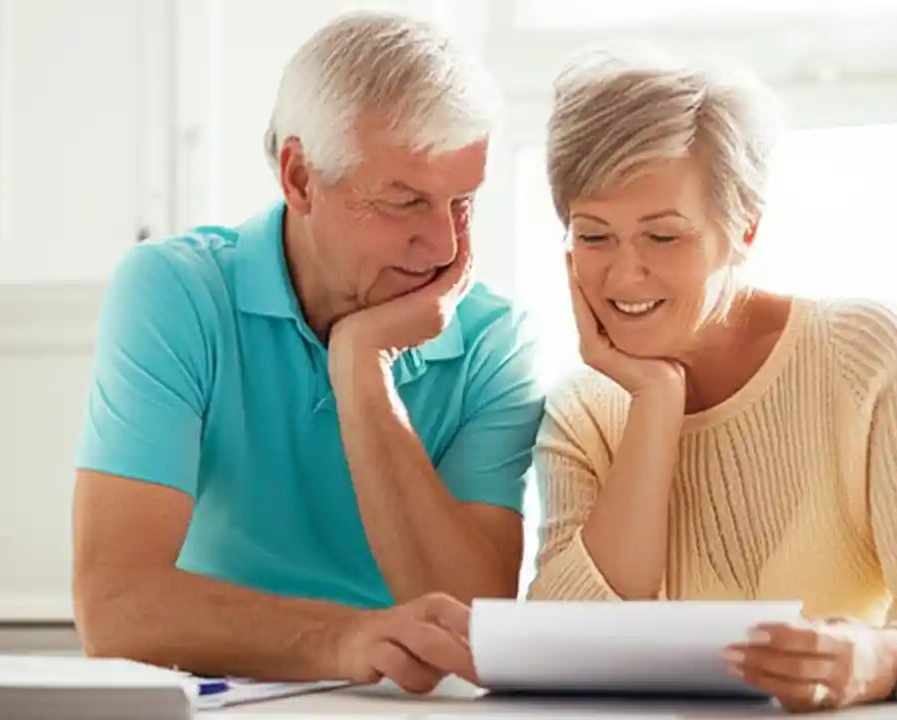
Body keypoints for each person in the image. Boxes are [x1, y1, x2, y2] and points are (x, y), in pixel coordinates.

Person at [528, 47, 897, 713]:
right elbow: (564, 640)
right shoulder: (584, 408)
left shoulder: (861, 354)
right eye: (594, 237)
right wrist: (654, 401)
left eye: (663, 237)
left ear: (744, 228)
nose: (622, 275)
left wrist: (880, 658)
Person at [72, 11, 544, 693]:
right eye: (405, 201)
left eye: (462, 202)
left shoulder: (495, 340)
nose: (444, 246)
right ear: (299, 178)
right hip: (226, 700)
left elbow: (472, 624)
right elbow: (114, 608)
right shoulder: (176, 292)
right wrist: (346, 637)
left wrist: (362, 367)